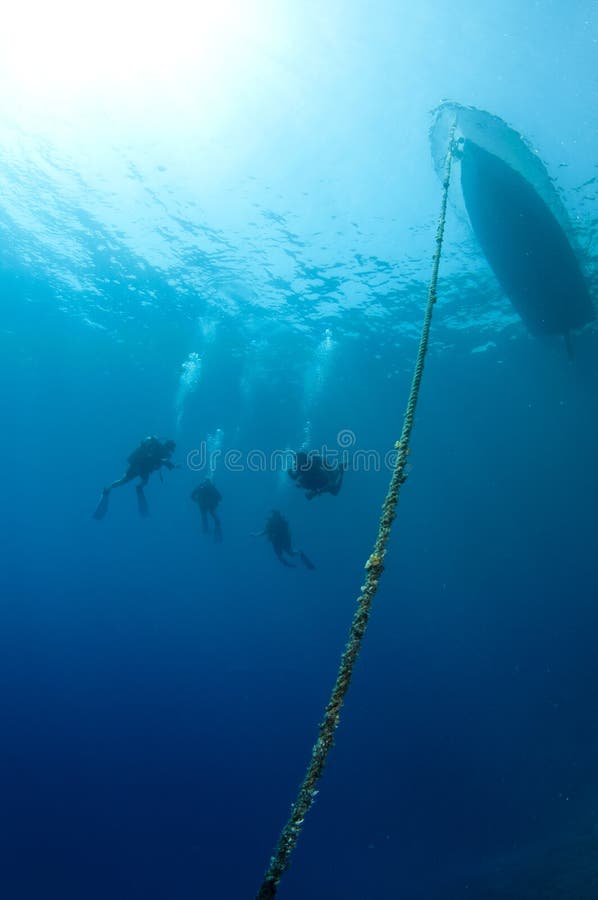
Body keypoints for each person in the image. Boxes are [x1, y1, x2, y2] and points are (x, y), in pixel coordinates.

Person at [93, 436, 178, 519]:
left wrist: (172, 466)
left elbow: (161, 461)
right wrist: (170, 464)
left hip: (144, 469)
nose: (171, 452)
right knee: (124, 481)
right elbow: (158, 459)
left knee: (140, 482)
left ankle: (135, 488)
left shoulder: (162, 452)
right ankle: (108, 489)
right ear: (167, 446)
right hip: (138, 466)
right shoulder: (158, 447)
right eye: (171, 449)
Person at [191, 478, 222, 542]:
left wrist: (197, 500)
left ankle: (205, 530)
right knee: (215, 518)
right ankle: (217, 531)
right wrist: (217, 502)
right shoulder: (212, 486)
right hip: (211, 506)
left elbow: (192, 495)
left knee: (204, 517)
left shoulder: (200, 486)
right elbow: (220, 497)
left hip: (202, 505)